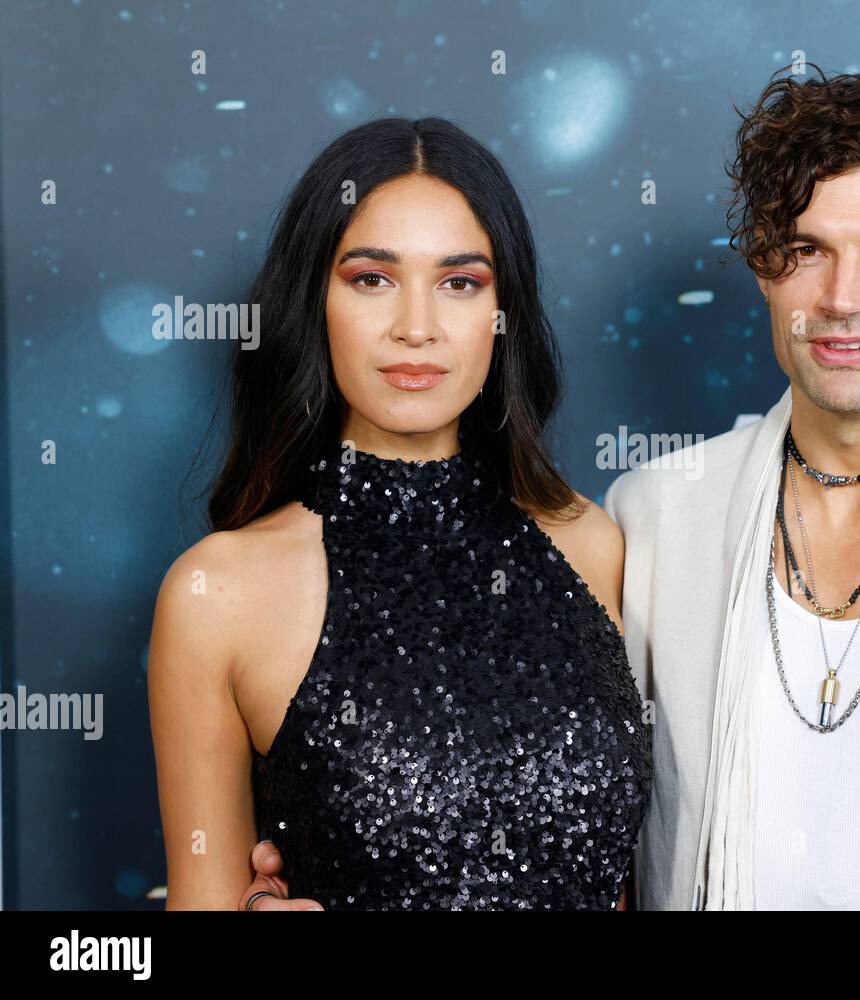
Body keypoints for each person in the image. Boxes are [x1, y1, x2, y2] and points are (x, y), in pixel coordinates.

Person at [241, 68, 860, 911]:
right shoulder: (653, 517)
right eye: (806, 251)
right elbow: (551, 814)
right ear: (762, 264)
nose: (843, 298)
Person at [148, 117, 652, 910]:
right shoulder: (217, 594)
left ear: (503, 312)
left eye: (460, 283)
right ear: (314, 301)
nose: (416, 328)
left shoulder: (595, 546)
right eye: (372, 279)